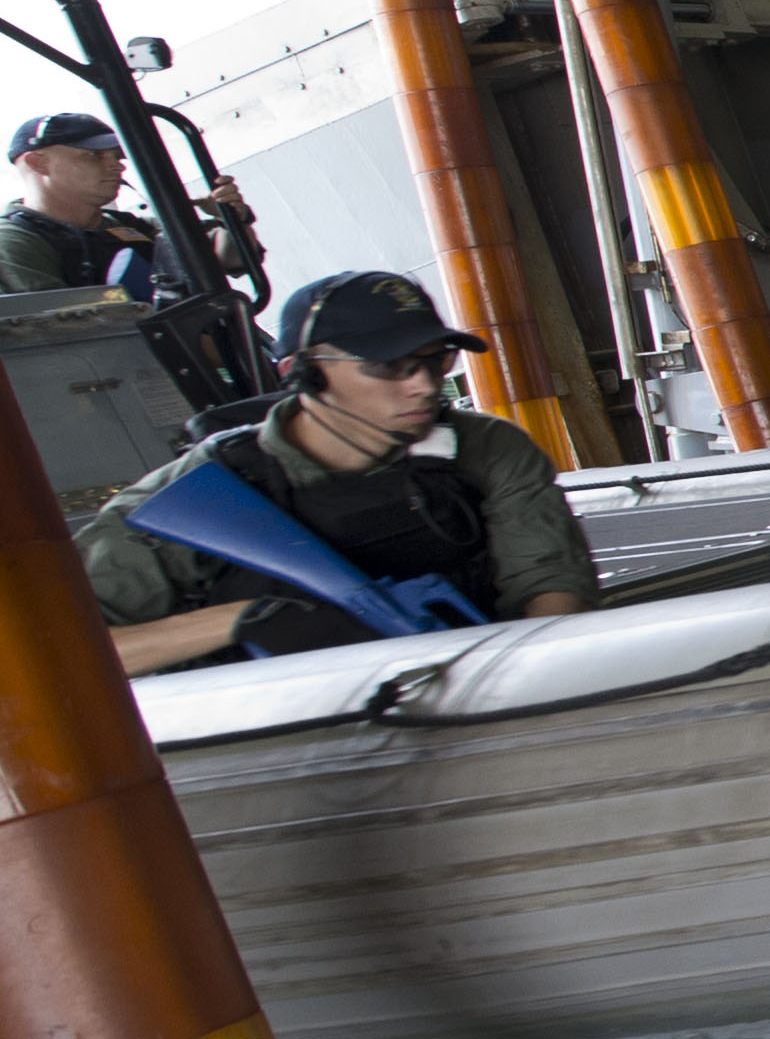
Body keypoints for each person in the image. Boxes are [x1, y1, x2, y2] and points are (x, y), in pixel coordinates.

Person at [77, 270, 597, 675]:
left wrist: (524, 676)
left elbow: (550, 586)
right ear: (302, 373)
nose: (422, 385)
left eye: (436, 362)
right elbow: (65, 660)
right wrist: (244, 620)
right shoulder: (191, 495)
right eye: (389, 366)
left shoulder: (484, 448)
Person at [2, 110, 249, 298]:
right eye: (94, 155)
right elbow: (59, 330)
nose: (117, 166)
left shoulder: (132, 228)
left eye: (116, 156)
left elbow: (230, 257)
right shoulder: (14, 242)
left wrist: (230, 219)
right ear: (37, 163)